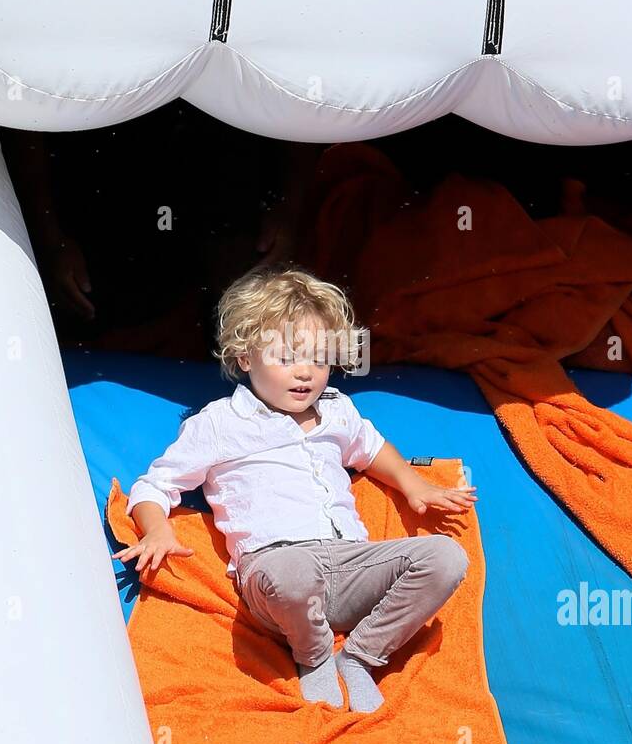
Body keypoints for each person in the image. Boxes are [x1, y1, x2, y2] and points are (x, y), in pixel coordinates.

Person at [113, 266, 475, 712]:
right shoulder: (221, 423)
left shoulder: (337, 411)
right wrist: (156, 529)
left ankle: (360, 656)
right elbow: (154, 485)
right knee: (292, 575)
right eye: (287, 360)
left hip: (349, 563)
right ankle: (315, 655)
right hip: (276, 571)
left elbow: (371, 448)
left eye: (319, 360)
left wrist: (412, 484)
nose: (305, 374)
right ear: (245, 358)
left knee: (446, 558)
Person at [1, 104, 319, 354]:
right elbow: (27, 120)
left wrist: (289, 206)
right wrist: (48, 237)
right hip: (108, 213)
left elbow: (298, 91)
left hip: (224, 179)